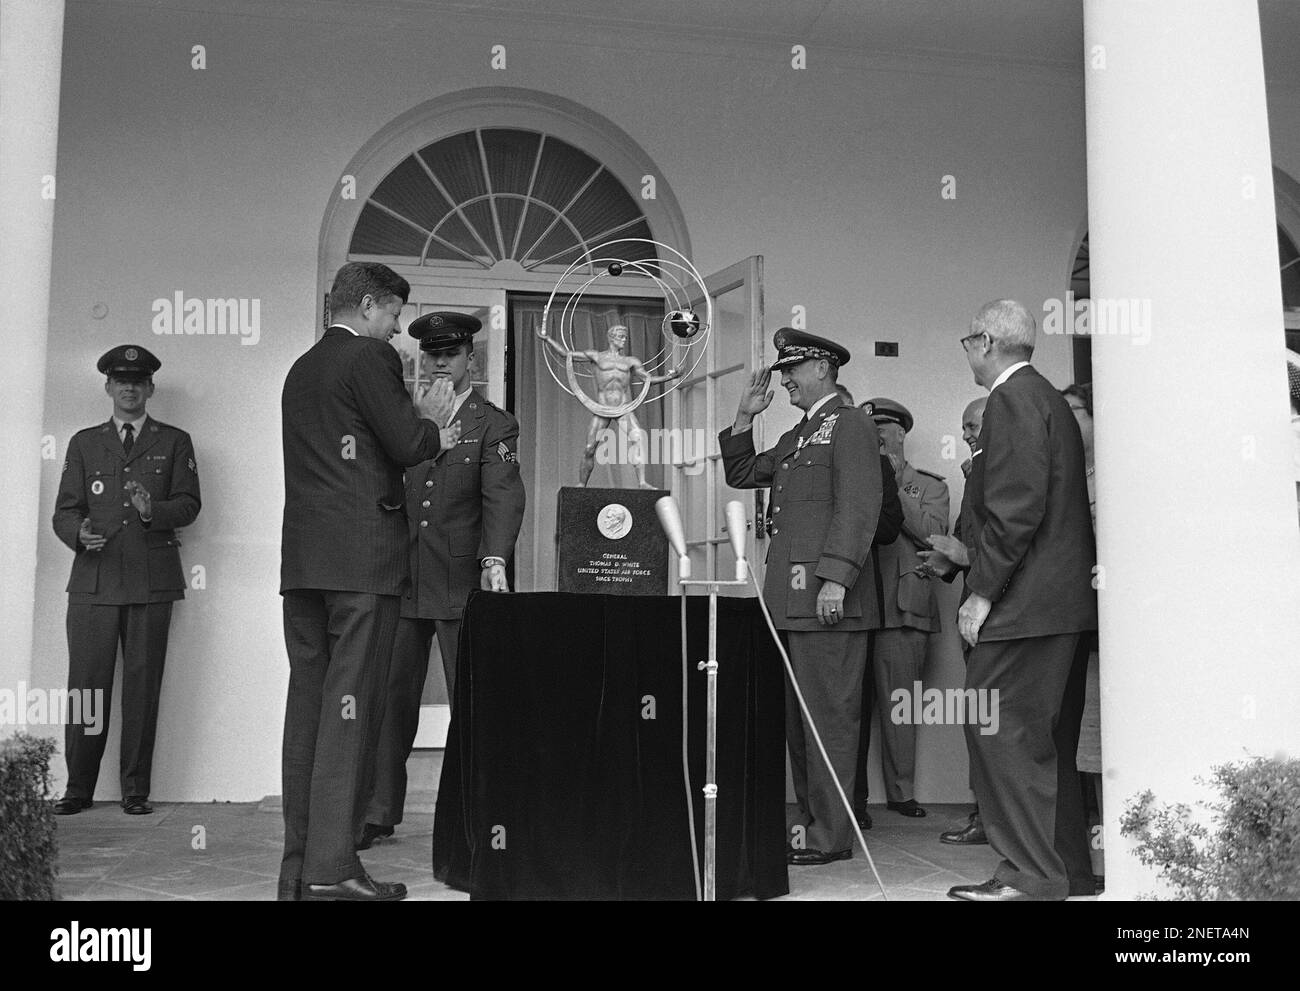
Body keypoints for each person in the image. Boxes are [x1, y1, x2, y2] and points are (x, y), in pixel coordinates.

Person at [279, 262, 459, 902]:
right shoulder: (367, 358)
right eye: (393, 316)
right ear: (368, 304)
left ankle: (300, 873)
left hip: (304, 566)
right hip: (362, 566)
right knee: (351, 713)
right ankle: (332, 870)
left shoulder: (301, 368)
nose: (397, 333)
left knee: (309, 713)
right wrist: (432, 418)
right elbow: (410, 444)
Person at [935, 300, 1096, 901]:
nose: (966, 352)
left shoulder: (1010, 399)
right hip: (1059, 607)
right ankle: (1067, 875)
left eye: (967, 340)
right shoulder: (1049, 397)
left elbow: (1015, 511)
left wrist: (980, 594)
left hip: (1025, 609)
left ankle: (1031, 877)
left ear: (986, 342)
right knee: (1043, 743)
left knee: (1000, 732)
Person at [358, 312, 525, 850]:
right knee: (388, 703)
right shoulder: (403, 417)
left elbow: (502, 496)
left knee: (472, 702)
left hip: (460, 581)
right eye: (431, 355)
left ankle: (477, 814)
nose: (438, 363)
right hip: (403, 578)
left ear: (469, 360)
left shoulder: (493, 424)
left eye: (449, 355)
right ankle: (378, 812)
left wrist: (495, 558)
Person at [719, 329, 882, 866]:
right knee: (800, 722)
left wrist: (836, 578)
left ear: (822, 368)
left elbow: (858, 506)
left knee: (830, 721)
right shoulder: (799, 434)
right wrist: (743, 418)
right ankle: (812, 824)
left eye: (792, 369)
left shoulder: (852, 425)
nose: (783, 379)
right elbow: (743, 472)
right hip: (790, 602)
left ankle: (831, 836)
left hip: (827, 600)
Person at [51, 345, 201, 816]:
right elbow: (64, 511)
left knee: (142, 686)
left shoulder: (175, 441)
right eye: (121, 381)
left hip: (151, 582)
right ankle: (78, 789)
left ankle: (135, 789)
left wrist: (151, 510)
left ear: (150, 388)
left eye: (138, 381)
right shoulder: (84, 442)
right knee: (86, 688)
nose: (129, 388)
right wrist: (78, 532)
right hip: (94, 582)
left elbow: (190, 505)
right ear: (109, 387)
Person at [861, 397, 950, 819]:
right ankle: (848, 798)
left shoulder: (930, 486)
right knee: (848, 709)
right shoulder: (852, 479)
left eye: (885, 428)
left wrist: (893, 485)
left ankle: (900, 793)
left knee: (900, 704)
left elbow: (935, 537)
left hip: (903, 606)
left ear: (901, 434)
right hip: (854, 606)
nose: (877, 435)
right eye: (871, 427)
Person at [832, 384, 902, 832]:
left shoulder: (877, 464)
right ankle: (820, 809)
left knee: (853, 707)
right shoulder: (799, 456)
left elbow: (891, 527)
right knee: (818, 711)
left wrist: (849, 521)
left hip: (856, 596)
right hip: (802, 597)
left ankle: (853, 804)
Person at [927, 396, 990, 846]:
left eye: (972, 425)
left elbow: (1006, 547)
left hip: (998, 615)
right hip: (974, 612)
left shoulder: (999, 473)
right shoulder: (975, 472)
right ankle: (986, 814)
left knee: (993, 721)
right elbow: (970, 544)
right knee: (981, 718)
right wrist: (944, 564)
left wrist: (961, 556)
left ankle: (994, 819)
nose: (965, 434)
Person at [538, 323, 679, 487]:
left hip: (623, 408)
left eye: (626, 337)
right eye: (621, 336)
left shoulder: (630, 362)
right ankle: (581, 484)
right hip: (602, 409)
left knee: (638, 437)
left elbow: (648, 380)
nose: (624, 340)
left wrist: (672, 377)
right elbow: (566, 354)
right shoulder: (596, 356)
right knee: (590, 448)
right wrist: (548, 339)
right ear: (611, 337)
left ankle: (642, 482)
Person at [1063, 382, 1102, 883]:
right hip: (1075, 625)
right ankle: (1086, 863)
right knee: (1083, 747)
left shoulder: (1111, 475)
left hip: (1109, 629)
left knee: (1099, 745)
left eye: (1074, 411)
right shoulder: (1071, 474)